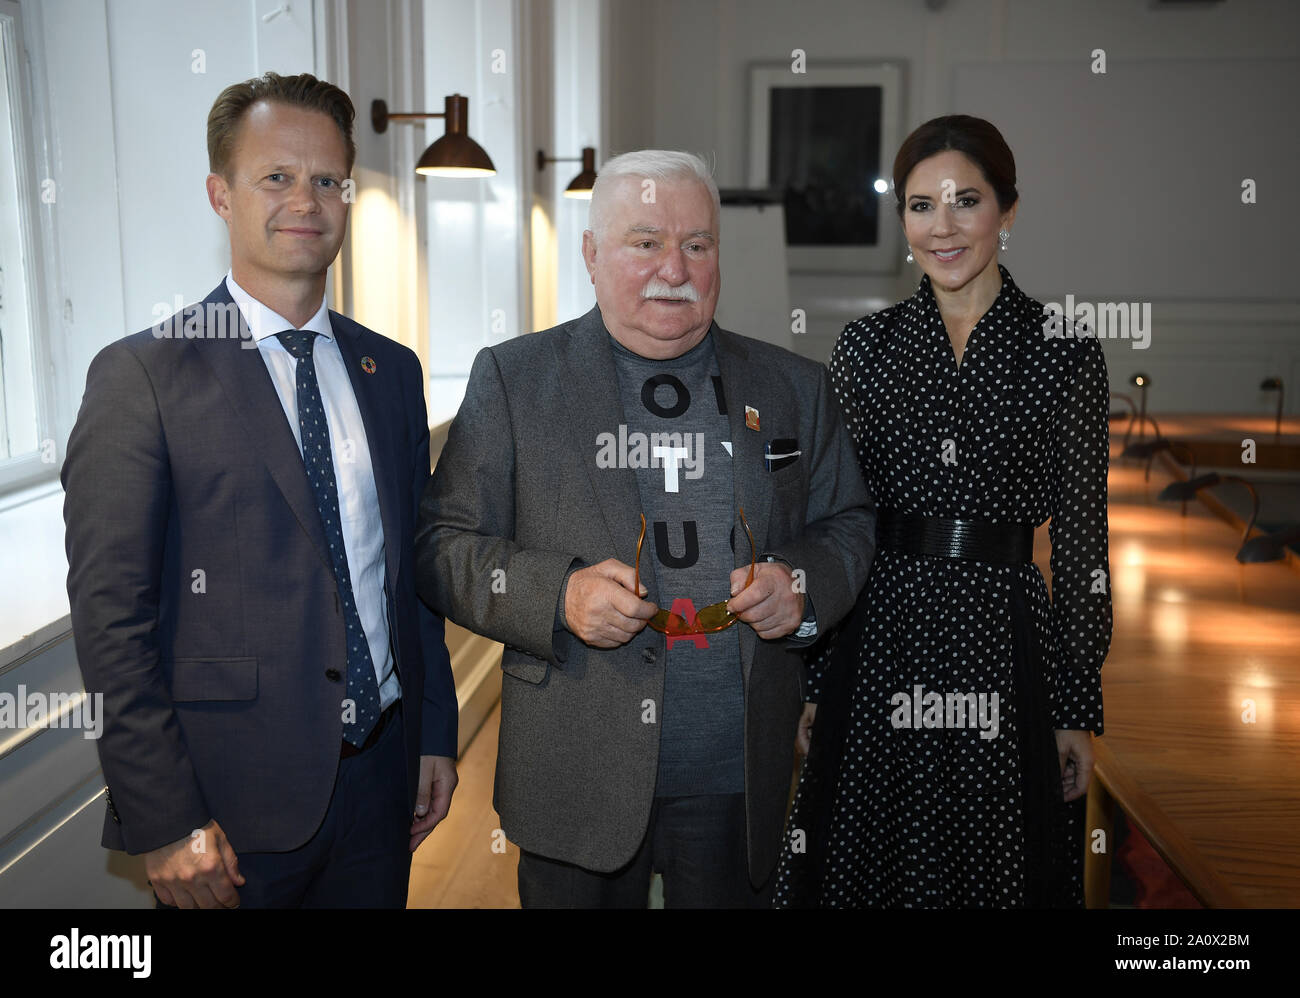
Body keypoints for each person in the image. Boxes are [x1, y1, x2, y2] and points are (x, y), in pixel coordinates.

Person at [415, 150, 874, 908]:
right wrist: (557, 596)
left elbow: (848, 522)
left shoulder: (795, 386)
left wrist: (802, 583)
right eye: (646, 242)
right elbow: (443, 545)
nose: (676, 267)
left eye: (697, 244)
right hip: (576, 770)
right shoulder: (514, 379)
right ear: (592, 255)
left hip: (738, 775)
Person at [62, 72, 459, 908]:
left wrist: (433, 734)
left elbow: (411, 576)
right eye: (275, 177)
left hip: (383, 781)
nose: (304, 201)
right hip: (229, 813)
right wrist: (165, 817)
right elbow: (112, 619)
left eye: (327, 179)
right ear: (221, 194)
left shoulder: (390, 371)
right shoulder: (143, 376)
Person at [775, 115, 1112, 908]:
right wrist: (817, 680)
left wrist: (1075, 705)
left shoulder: (1067, 349)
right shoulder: (867, 347)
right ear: (903, 222)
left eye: (967, 201)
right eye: (921, 206)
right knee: (871, 863)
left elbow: (1083, 544)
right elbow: (836, 522)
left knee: (988, 867)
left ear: (1009, 209)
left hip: (1005, 641)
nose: (944, 227)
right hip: (880, 631)